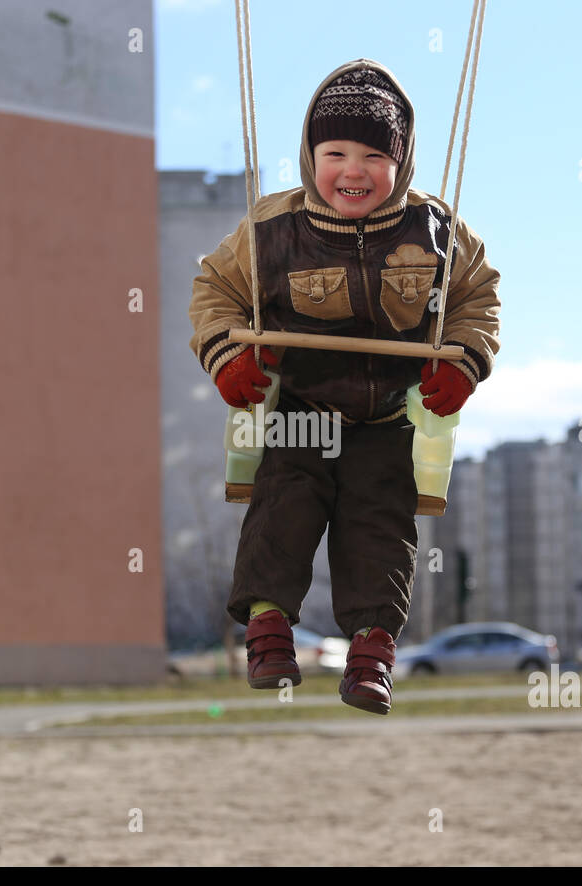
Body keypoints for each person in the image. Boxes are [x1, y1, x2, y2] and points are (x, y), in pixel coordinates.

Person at [188, 59, 501, 714]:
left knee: (380, 528)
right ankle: (269, 630)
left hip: (386, 415)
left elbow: (477, 296)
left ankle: (371, 651)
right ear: (310, 156)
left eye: (372, 156)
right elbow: (215, 290)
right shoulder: (274, 230)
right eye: (335, 152)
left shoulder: (434, 230)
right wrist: (226, 354)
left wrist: (464, 358)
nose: (353, 170)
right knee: (283, 508)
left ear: (402, 162)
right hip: (301, 406)